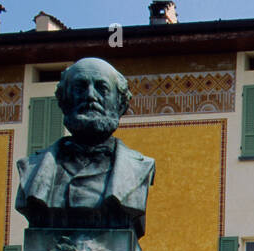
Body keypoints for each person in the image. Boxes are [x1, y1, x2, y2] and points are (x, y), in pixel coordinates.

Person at [15, 57, 156, 238]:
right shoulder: (31, 169)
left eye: (102, 88)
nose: (90, 95)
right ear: (64, 101)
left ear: (120, 103)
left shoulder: (140, 169)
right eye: (80, 87)